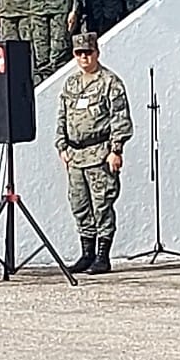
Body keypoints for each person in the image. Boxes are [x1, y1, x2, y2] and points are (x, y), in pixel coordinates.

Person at [56, 31, 132, 274]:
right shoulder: (71, 83)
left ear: (96, 53)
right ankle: (86, 253)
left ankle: (102, 256)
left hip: (100, 152)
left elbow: (120, 118)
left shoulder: (110, 82)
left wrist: (116, 150)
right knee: (79, 204)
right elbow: (62, 116)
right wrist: (62, 145)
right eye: (79, 54)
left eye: (88, 53)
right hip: (76, 155)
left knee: (102, 204)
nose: (84, 58)